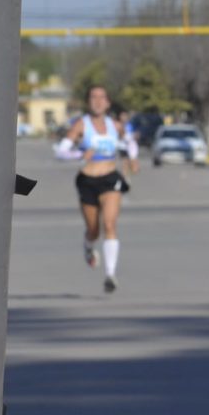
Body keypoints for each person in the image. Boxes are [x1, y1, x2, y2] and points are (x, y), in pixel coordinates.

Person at [54, 85, 138, 293]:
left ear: (108, 102)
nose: (98, 101)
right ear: (88, 102)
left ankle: (110, 274)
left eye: (102, 97)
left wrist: (133, 158)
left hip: (110, 178)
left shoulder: (115, 126)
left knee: (109, 224)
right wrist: (79, 155)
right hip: (87, 180)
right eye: (93, 97)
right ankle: (89, 246)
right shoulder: (81, 125)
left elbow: (130, 143)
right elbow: (61, 151)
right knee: (94, 230)